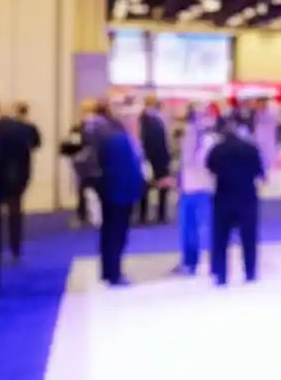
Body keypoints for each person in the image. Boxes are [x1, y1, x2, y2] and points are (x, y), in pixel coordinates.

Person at [206, 121, 266, 285]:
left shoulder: (217, 150)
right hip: (247, 197)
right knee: (249, 238)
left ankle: (221, 274)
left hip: (223, 196)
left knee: (220, 238)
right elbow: (260, 172)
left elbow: (209, 168)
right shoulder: (251, 148)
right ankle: (250, 272)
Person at [93, 103, 146, 286]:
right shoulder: (120, 140)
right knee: (116, 234)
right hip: (119, 194)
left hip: (113, 192)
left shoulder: (112, 136)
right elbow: (126, 170)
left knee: (109, 233)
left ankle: (108, 270)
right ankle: (114, 273)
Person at [0, 101, 40, 263]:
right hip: (17, 178)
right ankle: (15, 249)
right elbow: (34, 145)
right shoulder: (23, 128)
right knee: (15, 214)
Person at [173, 107, 217, 276]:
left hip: (203, 189)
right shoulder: (187, 140)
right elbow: (184, 165)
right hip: (188, 190)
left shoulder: (208, 142)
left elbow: (205, 165)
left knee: (206, 228)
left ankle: (214, 262)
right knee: (187, 229)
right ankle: (189, 262)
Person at [60, 100, 103, 227]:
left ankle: (82, 216)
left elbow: (72, 146)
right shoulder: (103, 127)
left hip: (85, 164)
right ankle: (98, 216)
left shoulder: (79, 127)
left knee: (83, 190)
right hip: (99, 164)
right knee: (98, 190)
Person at [138, 96, 174, 225]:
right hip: (154, 157)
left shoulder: (151, 120)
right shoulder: (152, 120)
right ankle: (155, 214)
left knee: (152, 187)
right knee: (151, 187)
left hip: (153, 157)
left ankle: (151, 214)